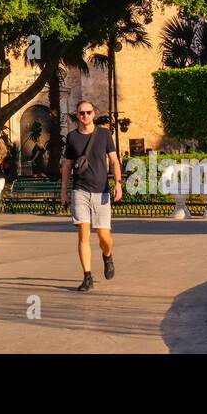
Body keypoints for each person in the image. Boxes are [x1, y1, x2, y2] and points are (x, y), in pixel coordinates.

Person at [60, 99, 123, 291]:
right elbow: (67, 166)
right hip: (80, 190)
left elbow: (114, 161)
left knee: (104, 237)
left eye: (88, 112)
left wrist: (118, 183)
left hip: (101, 191)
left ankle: (107, 255)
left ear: (93, 114)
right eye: (81, 113)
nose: (85, 116)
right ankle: (87, 276)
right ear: (77, 116)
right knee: (83, 234)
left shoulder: (104, 135)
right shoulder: (72, 137)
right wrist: (64, 191)